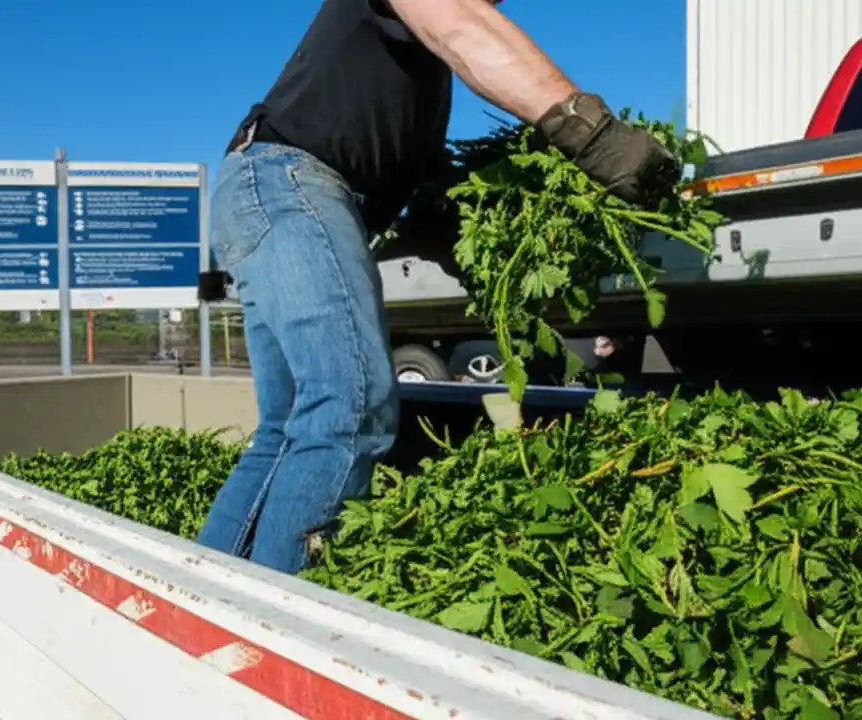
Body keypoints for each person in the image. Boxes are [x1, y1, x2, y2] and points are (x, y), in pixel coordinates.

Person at [196, 0, 679, 574]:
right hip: (291, 182)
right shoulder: (436, 19)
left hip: (267, 189)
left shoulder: (420, 88)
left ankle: (200, 598)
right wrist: (591, 133)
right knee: (348, 407)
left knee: (292, 421)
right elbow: (461, 26)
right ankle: (278, 627)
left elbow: (414, 156)